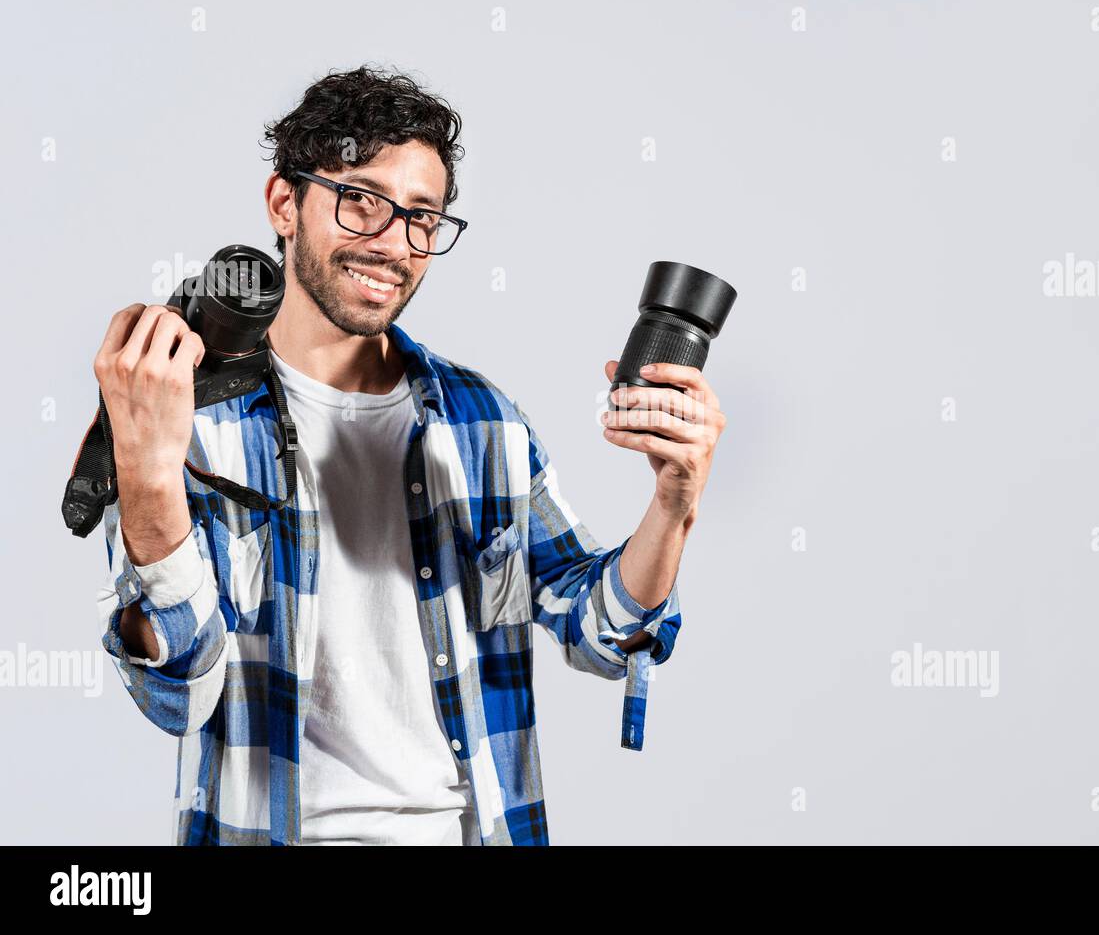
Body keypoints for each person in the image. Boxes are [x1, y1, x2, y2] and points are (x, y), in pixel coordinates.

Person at [92, 65, 726, 845]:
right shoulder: (188, 417)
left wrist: (674, 501)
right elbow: (177, 694)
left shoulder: (482, 423)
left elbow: (597, 627)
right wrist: (149, 472)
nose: (393, 242)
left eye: (422, 217)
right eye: (361, 199)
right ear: (284, 202)